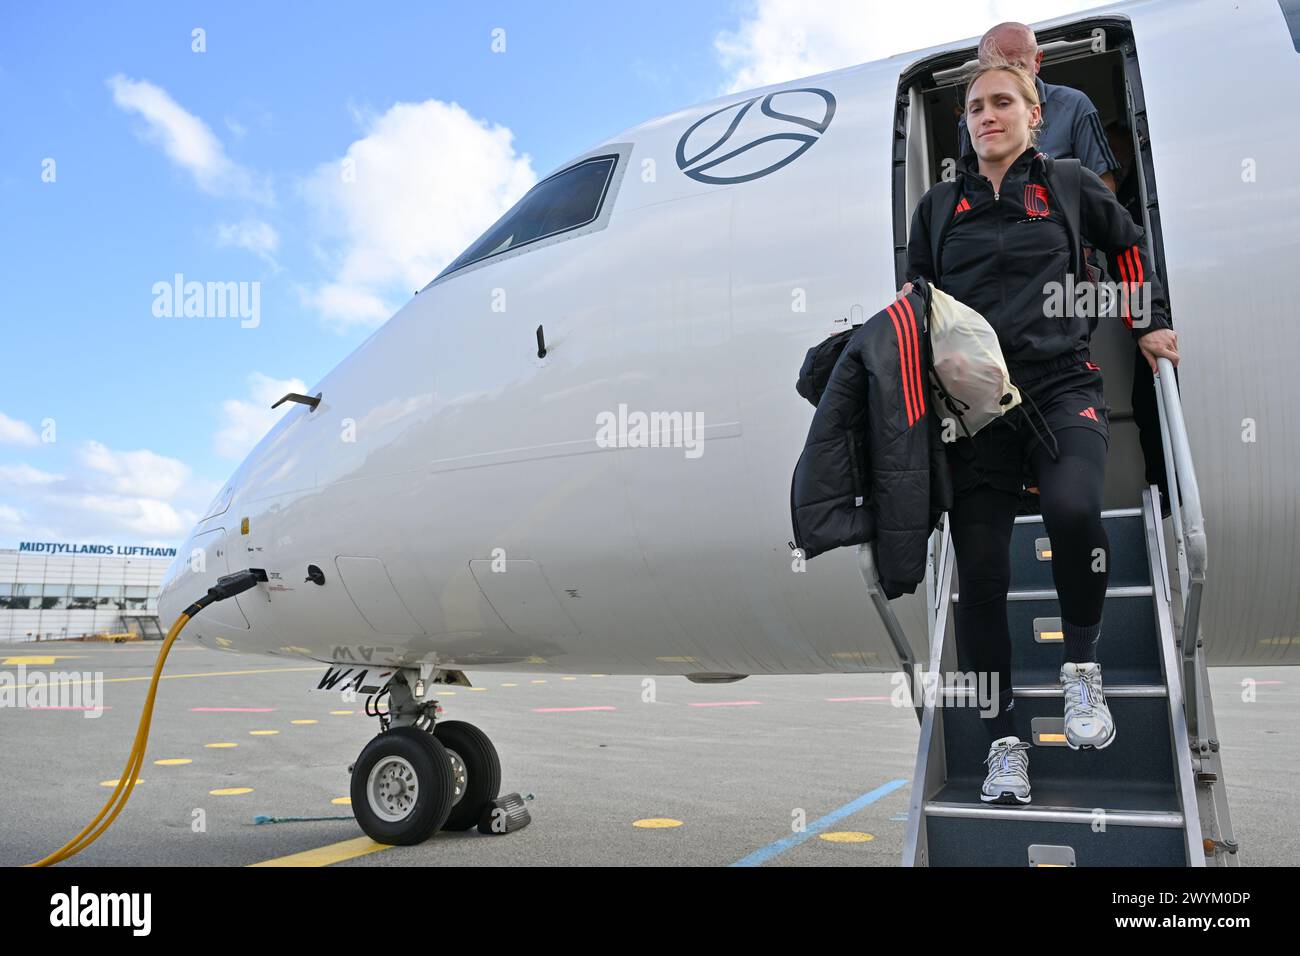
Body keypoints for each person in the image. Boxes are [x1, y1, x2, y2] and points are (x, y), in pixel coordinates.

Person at [899, 59, 1180, 804]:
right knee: (981, 582)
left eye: (1002, 103)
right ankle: (1002, 744)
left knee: (1075, 511)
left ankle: (1081, 670)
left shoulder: (1066, 183)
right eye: (976, 107)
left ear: (1032, 113)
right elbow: (914, 297)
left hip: (1060, 389)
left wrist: (1147, 324)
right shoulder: (936, 207)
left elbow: (1125, 248)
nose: (987, 116)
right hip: (977, 414)